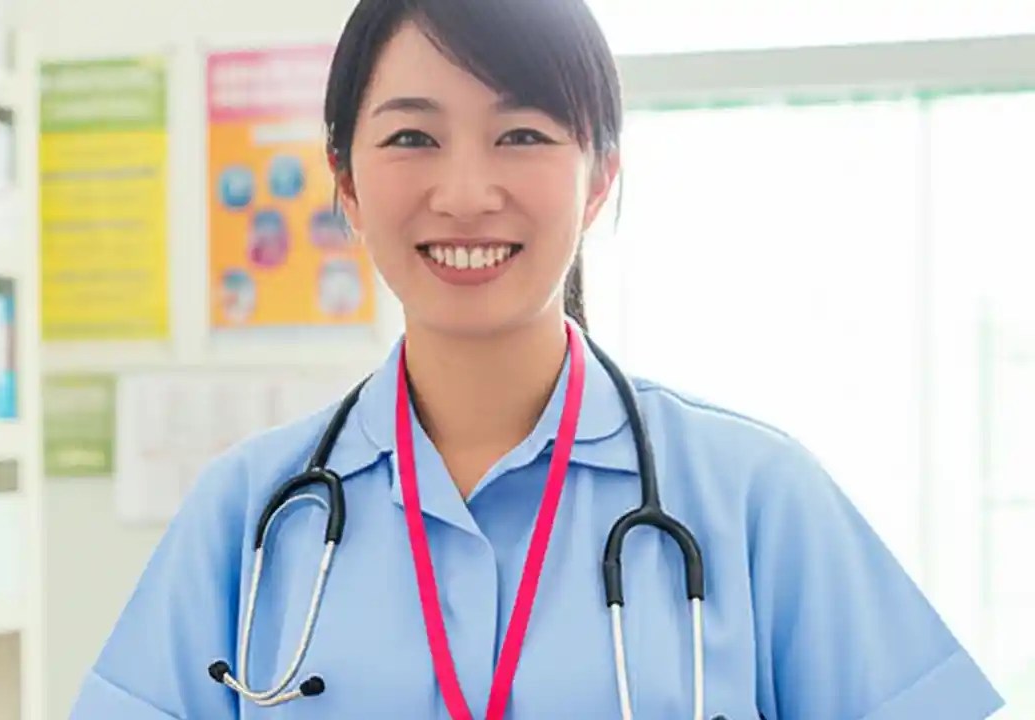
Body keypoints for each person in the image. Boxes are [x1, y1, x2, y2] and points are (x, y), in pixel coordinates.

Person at [69, 0, 1005, 717]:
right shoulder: (246, 517)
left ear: (599, 176)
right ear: (346, 184)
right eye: (411, 137)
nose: (467, 192)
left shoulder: (757, 499)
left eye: (521, 134)